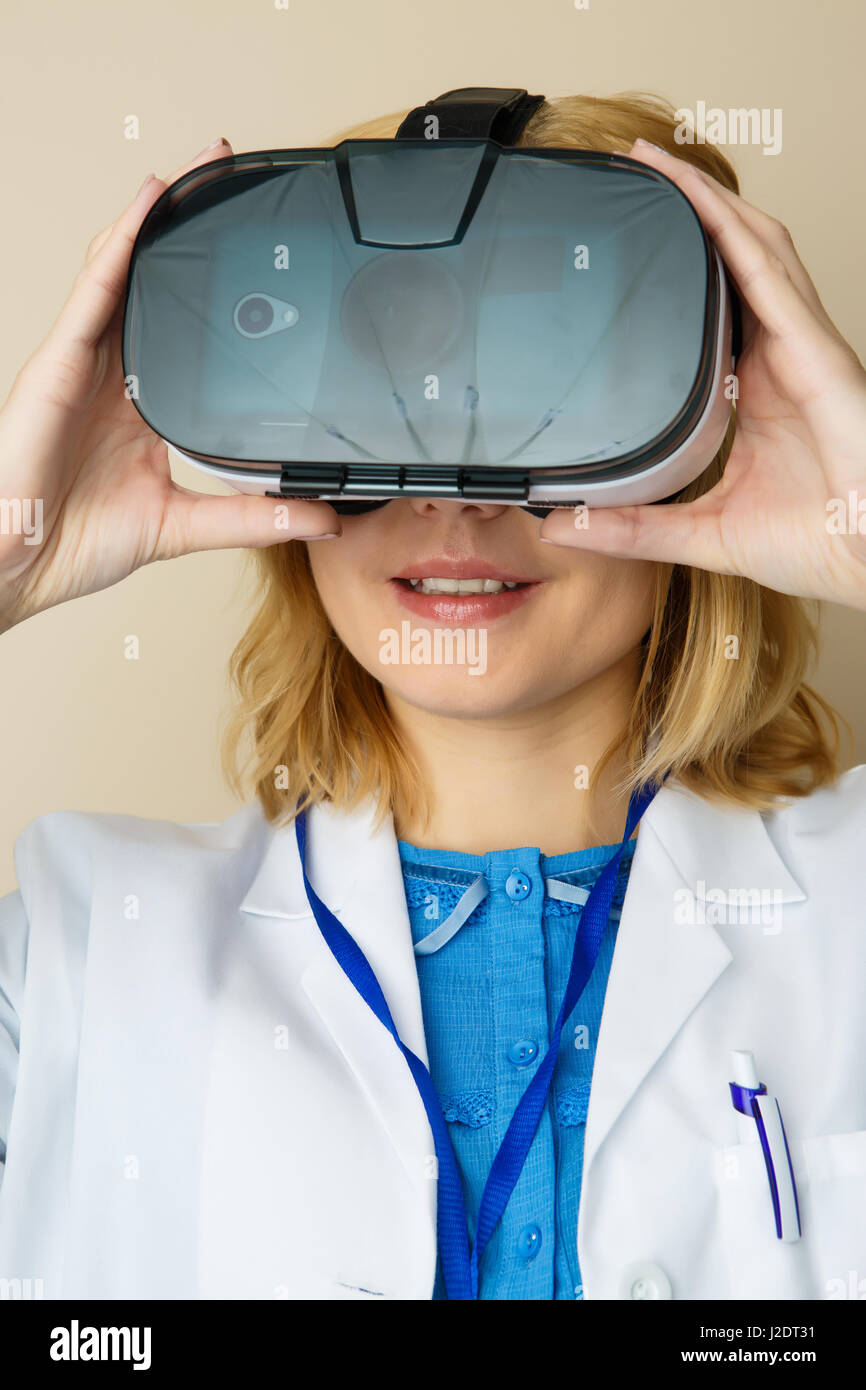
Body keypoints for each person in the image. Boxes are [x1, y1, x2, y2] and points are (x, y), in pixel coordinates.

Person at [0, 91, 865, 1302]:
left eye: (549, 409)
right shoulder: (77, 954)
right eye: (385, 405)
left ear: (698, 449)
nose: (456, 501)